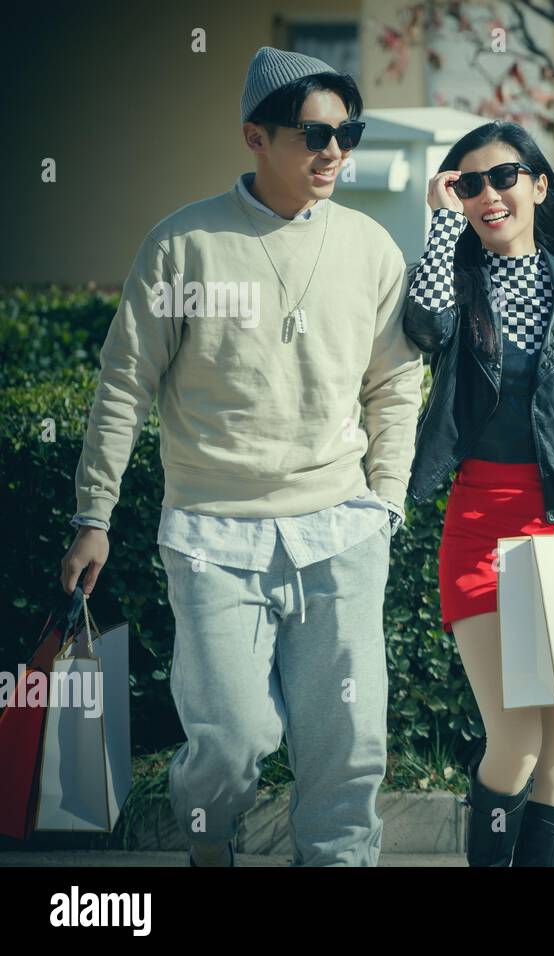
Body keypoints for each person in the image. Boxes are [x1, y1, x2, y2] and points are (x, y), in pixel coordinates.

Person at [58, 47, 425, 866]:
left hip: (340, 528)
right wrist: (94, 515)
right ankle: (207, 841)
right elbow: (124, 384)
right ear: (255, 137)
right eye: (314, 133)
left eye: (348, 133)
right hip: (213, 532)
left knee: (350, 744)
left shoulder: (371, 247)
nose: (335, 151)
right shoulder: (181, 245)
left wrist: (386, 500)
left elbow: (398, 382)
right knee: (233, 739)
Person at [401, 121, 554, 867]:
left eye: (504, 177)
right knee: (514, 738)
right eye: (468, 183)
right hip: (480, 521)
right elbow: (424, 326)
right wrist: (440, 223)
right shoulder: (460, 282)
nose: (488, 195)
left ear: (540, 185)